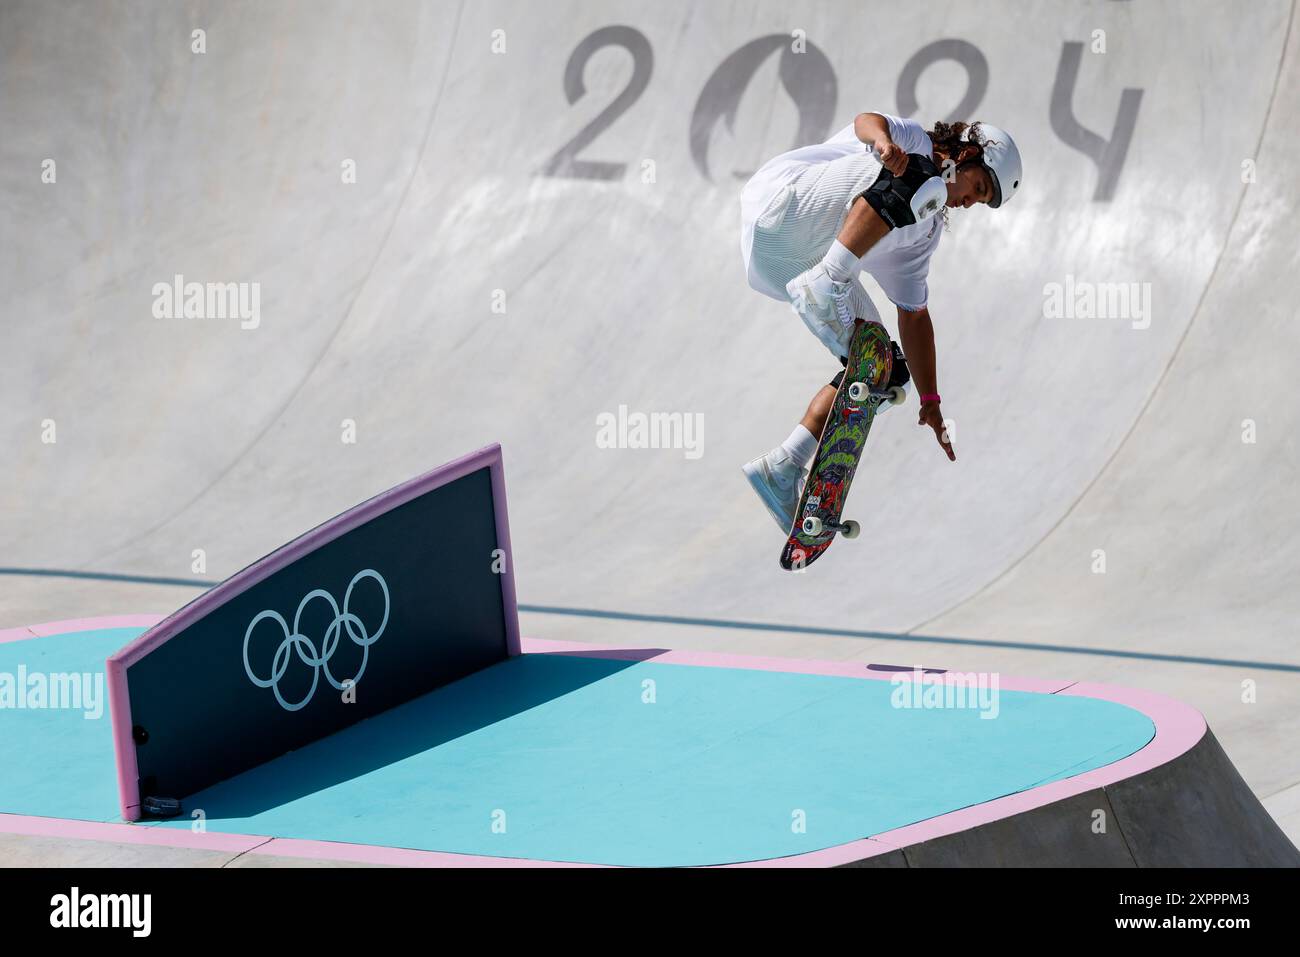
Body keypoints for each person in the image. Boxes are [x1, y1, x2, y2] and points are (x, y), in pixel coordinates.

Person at [739, 112, 1022, 531]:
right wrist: (884, 144)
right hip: (783, 204)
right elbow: (864, 121)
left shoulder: (923, 235)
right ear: (966, 154)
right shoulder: (917, 145)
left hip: (786, 268)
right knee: (920, 177)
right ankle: (829, 279)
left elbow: (914, 316)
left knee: (887, 372)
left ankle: (784, 465)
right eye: (976, 187)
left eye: (978, 202)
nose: (968, 202)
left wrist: (930, 401)